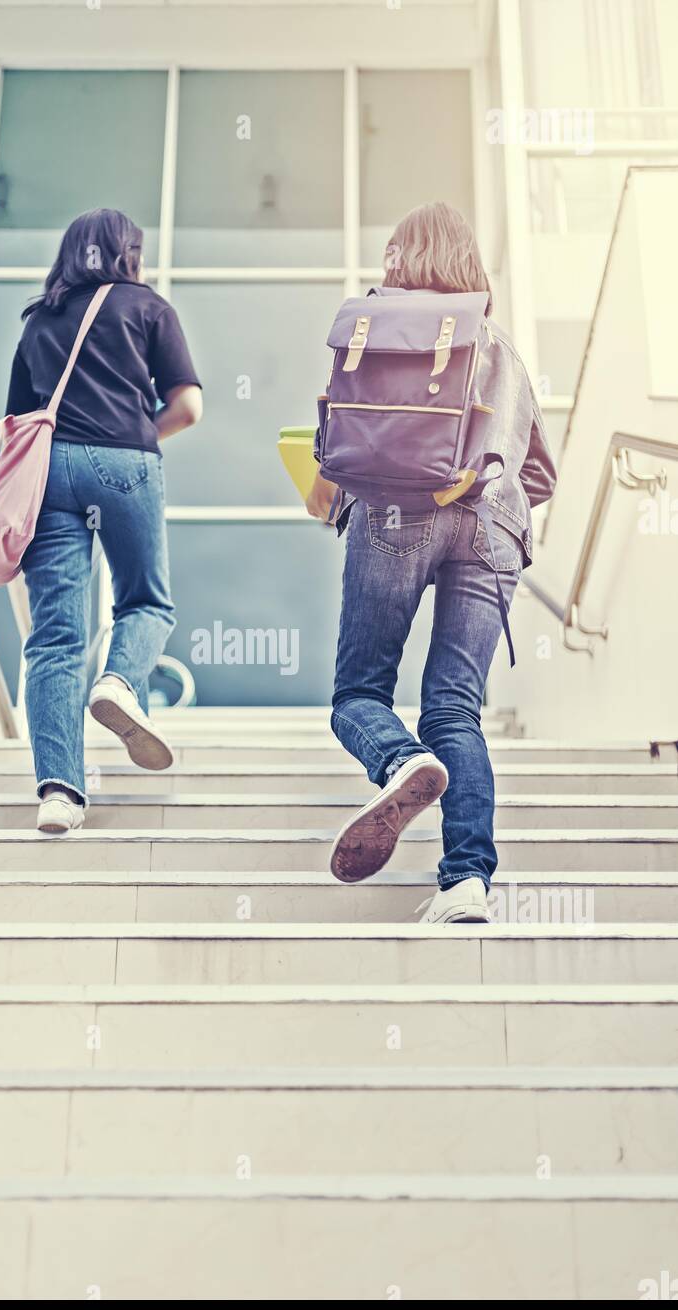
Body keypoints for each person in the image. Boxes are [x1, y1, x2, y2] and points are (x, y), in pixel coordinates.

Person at [307, 202, 556, 923]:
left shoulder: (367, 334)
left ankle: (399, 761)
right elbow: (541, 475)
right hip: (493, 527)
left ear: (400, 260)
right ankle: (467, 881)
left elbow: (335, 451)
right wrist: (483, 492)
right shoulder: (499, 345)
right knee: (455, 706)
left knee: (358, 695)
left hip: (391, 514)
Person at [5, 208, 202, 834]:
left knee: (54, 639)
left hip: (49, 473)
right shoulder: (148, 308)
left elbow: (15, 424)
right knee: (146, 602)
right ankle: (118, 682)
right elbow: (189, 407)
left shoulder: (37, 321)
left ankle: (59, 793)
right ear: (129, 253)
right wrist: (142, 434)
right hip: (126, 461)